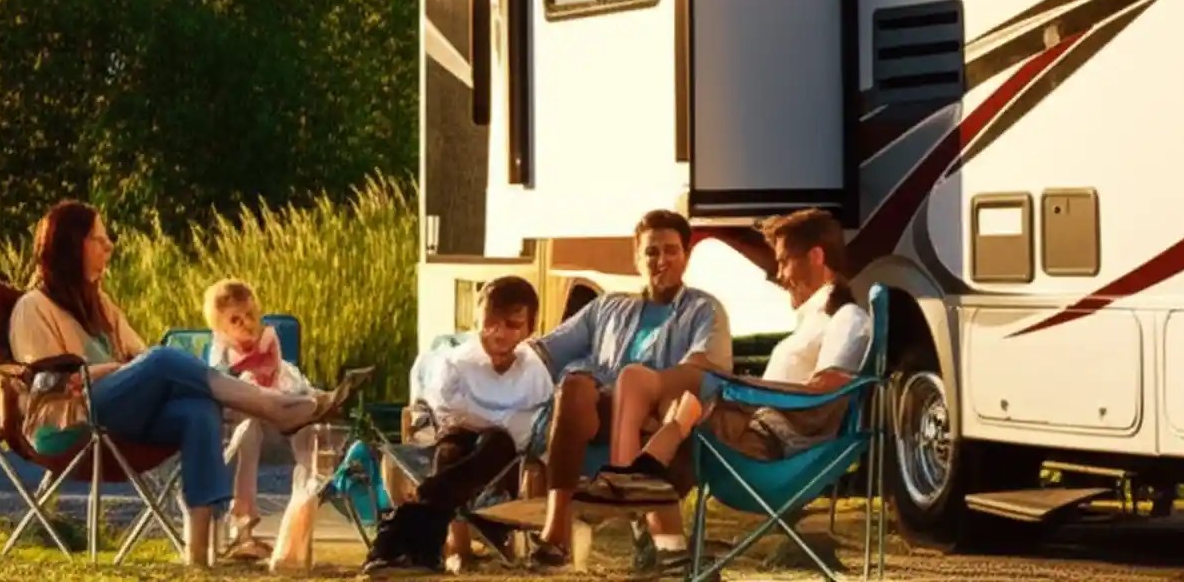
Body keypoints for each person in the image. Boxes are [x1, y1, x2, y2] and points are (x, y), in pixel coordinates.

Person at [7, 200, 367, 566]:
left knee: (197, 410)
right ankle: (273, 406)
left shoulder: (98, 304)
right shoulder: (32, 307)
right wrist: (120, 368)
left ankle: (198, 554)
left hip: (119, 415)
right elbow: (52, 385)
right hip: (69, 425)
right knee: (163, 360)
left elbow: (139, 356)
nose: (109, 245)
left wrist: (128, 368)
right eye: (99, 238)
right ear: (73, 245)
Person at [584, 208, 871, 500]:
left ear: (816, 258)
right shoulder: (812, 322)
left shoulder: (847, 318)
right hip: (756, 429)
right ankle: (644, 489)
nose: (780, 277)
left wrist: (740, 386)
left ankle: (632, 480)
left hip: (774, 445)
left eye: (784, 263)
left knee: (690, 387)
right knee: (679, 398)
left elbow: (826, 393)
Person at [526, 209, 732, 569]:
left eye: (671, 250)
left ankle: (662, 545)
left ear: (686, 256)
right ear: (637, 256)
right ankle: (556, 533)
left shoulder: (703, 309)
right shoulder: (607, 307)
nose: (661, 260)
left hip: (662, 418)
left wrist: (651, 397)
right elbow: (543, 352)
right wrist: (479, 355)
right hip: (601, 410)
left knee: (655, 402)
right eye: (651, 252)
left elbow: (704, 370)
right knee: (574, 387)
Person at [361, 276, 553, 574]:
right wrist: (475, 423)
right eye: (491, 322)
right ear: (477, 319)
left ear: (530, 329)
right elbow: (447, 414)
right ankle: (425, 551)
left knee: (496, 441)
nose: (499, 334)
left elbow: (528, 428)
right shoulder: (457, 361)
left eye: (513, 325)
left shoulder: (533, 372)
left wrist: (486, 424)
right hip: (459, 443)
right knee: (450, 449)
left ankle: (399, 536)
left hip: (502, 457)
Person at [201, 277, 317, 559]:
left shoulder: (267, 336)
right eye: (235, 321)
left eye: (250, 315)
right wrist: (231, 353)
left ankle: (299, 524)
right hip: (246, 422)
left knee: (309, 425)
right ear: (220, 327)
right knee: (248, 430)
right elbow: (217, 382)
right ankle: (243, 529)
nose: (246, 324)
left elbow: (270, 370)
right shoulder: (220, 350)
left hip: (283, 412)